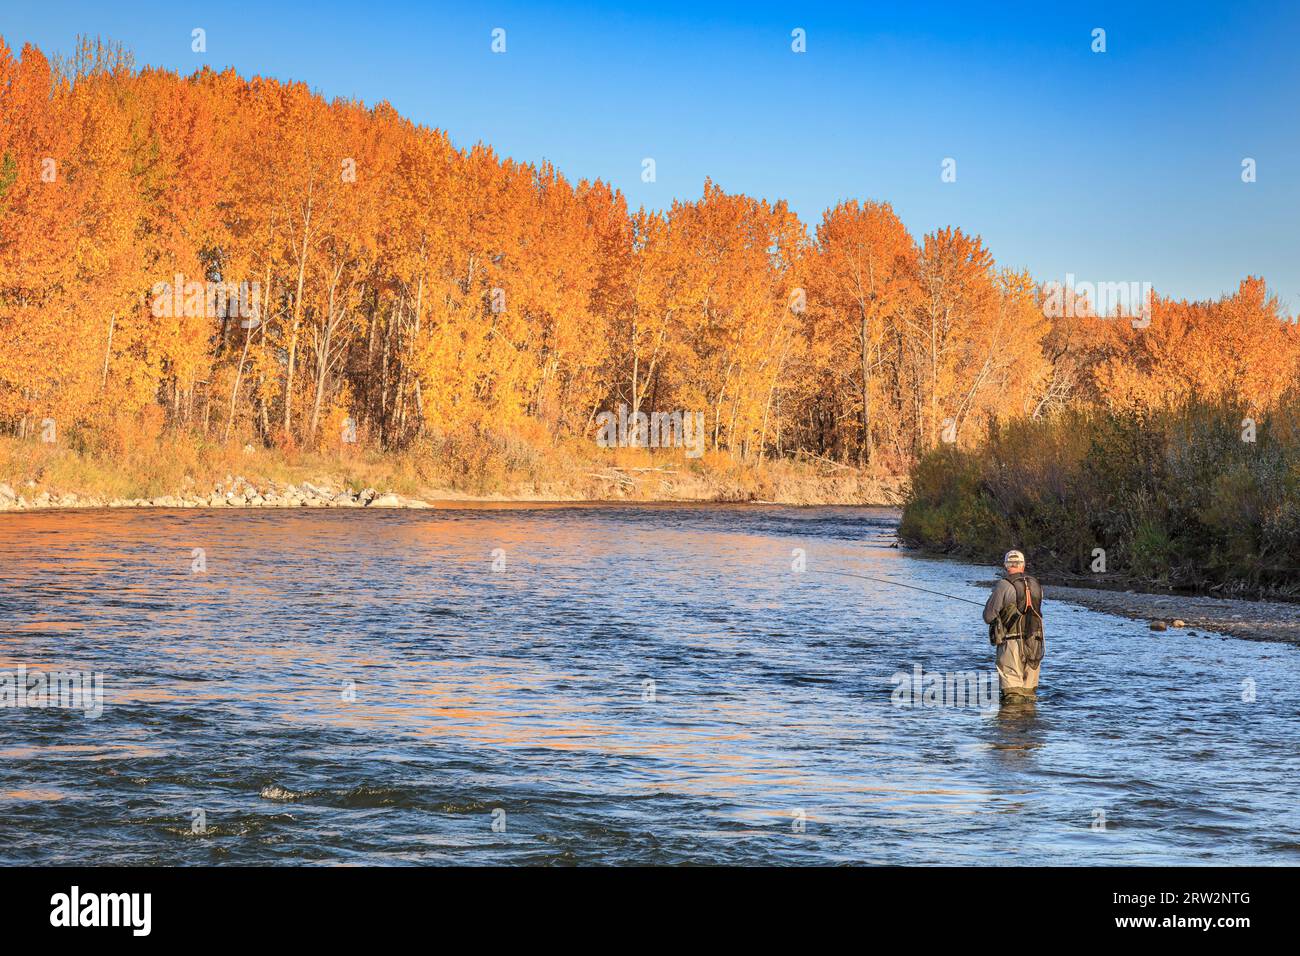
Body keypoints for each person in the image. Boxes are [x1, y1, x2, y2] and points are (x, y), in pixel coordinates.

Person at [982, 550, 1044, 697]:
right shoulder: (1037, 584)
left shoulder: (1004, 585)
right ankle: (1029, 718)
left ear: (1006, 565)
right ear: (1023, 565)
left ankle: (1012, 719)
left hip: (1012, 643)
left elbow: (988, 617)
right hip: (1035, 641)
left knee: (1012, 692)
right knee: (1029, 692)